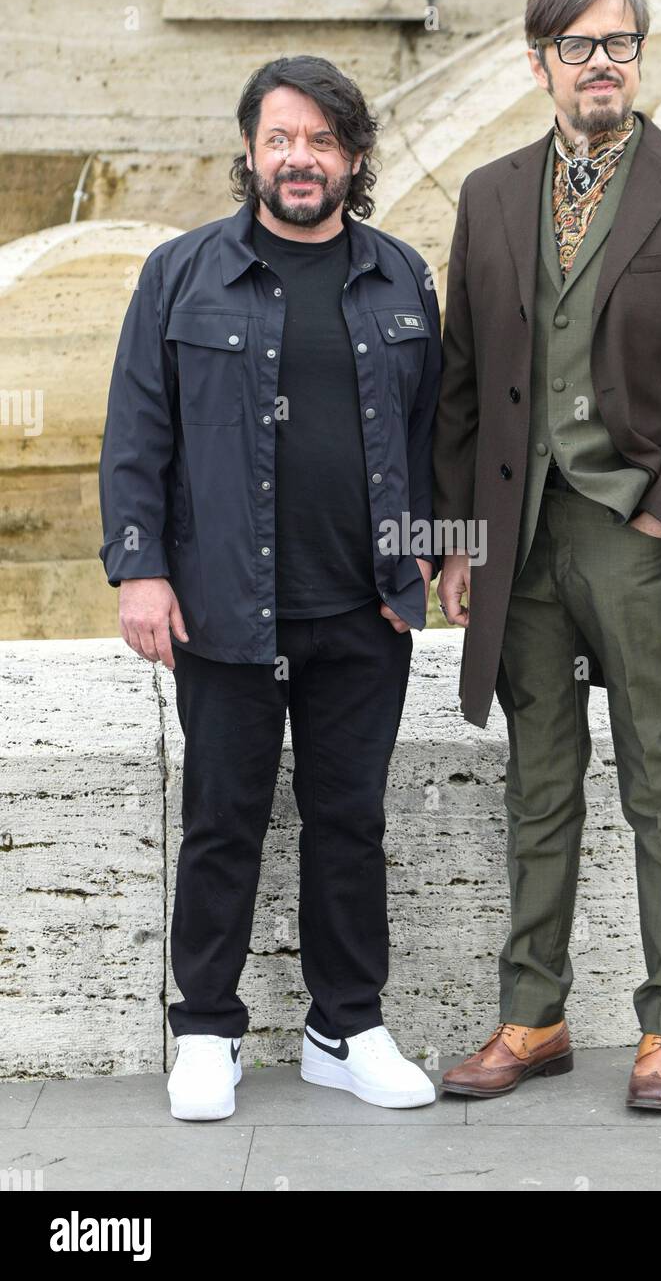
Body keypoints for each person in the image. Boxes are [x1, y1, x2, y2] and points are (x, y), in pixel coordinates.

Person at [432, 0, 661, 1106]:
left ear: (639, 57)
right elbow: (461, 388)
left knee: (659, 786)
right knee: (540, 785)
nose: (601, 64)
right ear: (538, 65)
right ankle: (533, 1017)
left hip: (633, 534)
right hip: (519, 539)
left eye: (619, 43)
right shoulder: (487, 196)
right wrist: (454, 540)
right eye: (576, 46)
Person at [98, 55, 442, 1118]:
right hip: (221, 603)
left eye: (323, 141)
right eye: (281, 138)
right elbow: (135, 429)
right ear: (249, 150)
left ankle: (348, 1026)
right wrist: (139, 566)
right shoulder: (181, 272)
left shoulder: (399, 275)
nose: (301, 159)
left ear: (352, 157)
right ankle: (206, 1031)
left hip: (363, 606)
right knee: (222, 817)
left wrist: (428, 556)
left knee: (349, 817)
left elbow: (436, 434)